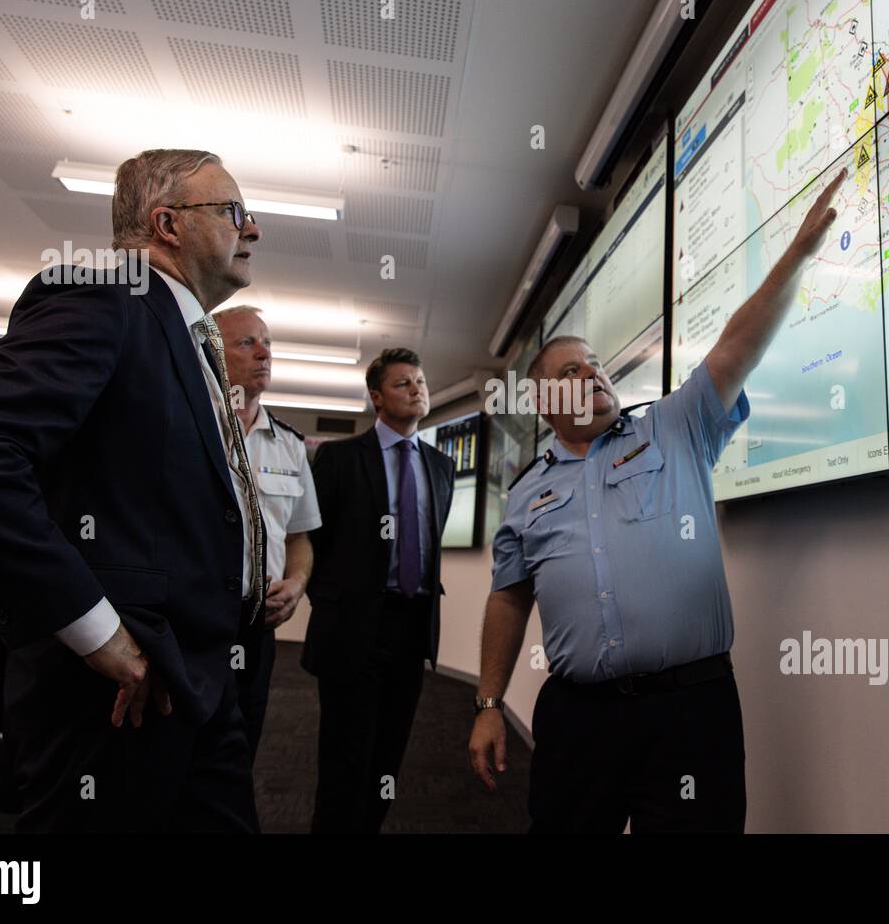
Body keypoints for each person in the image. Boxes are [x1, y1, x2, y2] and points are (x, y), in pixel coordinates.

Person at [469, 169, 848, 833]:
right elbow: (508, 595)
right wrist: (489, 700)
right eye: (570, 371)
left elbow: (736, 346)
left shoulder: (675, 426)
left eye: (595, 362)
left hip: (688, 713)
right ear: (543, 403)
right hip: (579, 719)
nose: (592, 372)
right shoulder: (527, 489)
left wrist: (797, 256)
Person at [0, 148, 268, 833]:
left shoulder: (187, 335)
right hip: (112, 694)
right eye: (233, 212)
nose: (252, 230)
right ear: (167, 223)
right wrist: (99, 632)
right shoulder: (105, 291)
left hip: (195, 679)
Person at [303, 348, 455, 833]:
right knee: (346, 758)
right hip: (354, 629)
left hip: (411, 628)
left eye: (420, 381)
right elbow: (313, 541)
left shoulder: (440, 466)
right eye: (402, 383)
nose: (417, 389)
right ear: (376, 398)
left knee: (389, 757)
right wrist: (332, 601)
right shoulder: (340, 458)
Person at [212, 305, 320, 761]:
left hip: (258, 622)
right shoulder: (189, 429)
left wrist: (296, 585)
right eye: (247, 343)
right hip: (191, 621)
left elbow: (299, 537)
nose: (264, 353)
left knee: (243, 742)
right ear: (214, 355)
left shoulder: (290, 444)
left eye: (268, 342)